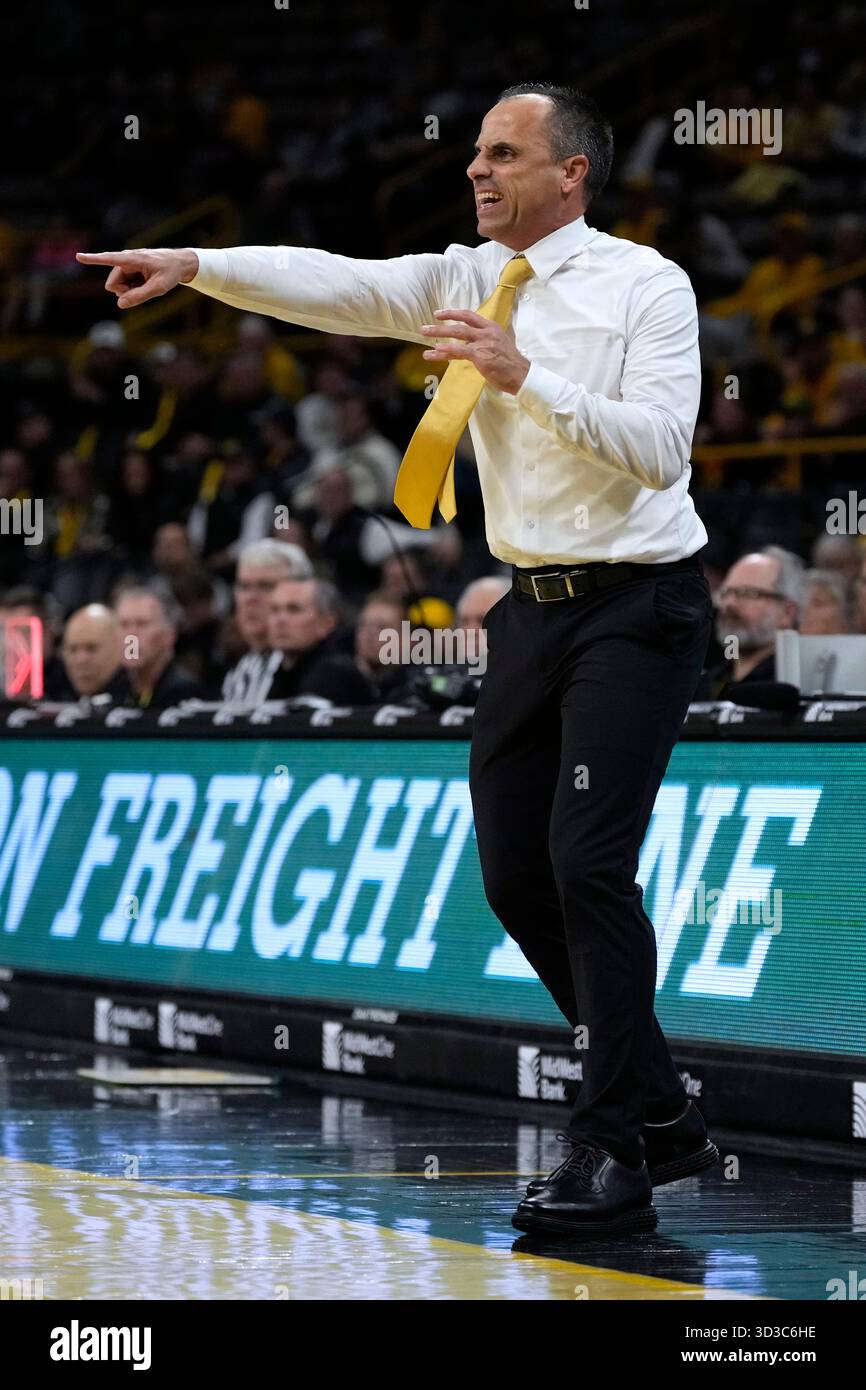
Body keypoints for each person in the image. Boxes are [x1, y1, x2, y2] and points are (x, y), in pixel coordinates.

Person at [78, 82, 717, 1235]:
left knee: (584, 861)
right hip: (529, 607)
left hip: (639, 601)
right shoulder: (462, 275)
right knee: (515, 874)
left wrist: (524, 374)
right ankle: (657, 1102)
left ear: (571, 172)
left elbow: (662, 453)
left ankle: (614, 1139)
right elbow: (337, 282)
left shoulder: (644, 283)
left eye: (504, 154)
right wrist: (198, 263)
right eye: (473, 152)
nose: (475, 170)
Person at [696, 546, 805, 699]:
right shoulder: (703, 686)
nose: (729, 604)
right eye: (726, 593)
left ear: (787, 613)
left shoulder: (800, 686)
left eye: (748, 593)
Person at [220, 537, 312, 704]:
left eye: (266, 586)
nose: (250, 599)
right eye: (243, 586)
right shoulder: (240, 668)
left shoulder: (313, 671)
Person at [266, 577, 375, 704]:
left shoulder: (335, 675)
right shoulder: (280, 673)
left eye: (294, 610)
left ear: (326, 624)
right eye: (274, 610)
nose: (280, 620)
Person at [114, 586, 209, 708]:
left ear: (169, 634)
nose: (131, 636)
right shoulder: (114, 690)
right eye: (124, 625)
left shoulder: (186, 694)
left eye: (142, 624)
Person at [56, 604, 132, 704]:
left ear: (120, 648)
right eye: (72, 650)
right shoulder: (55, 697)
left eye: (91, 648)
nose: (81, 660)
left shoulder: (138, 700)